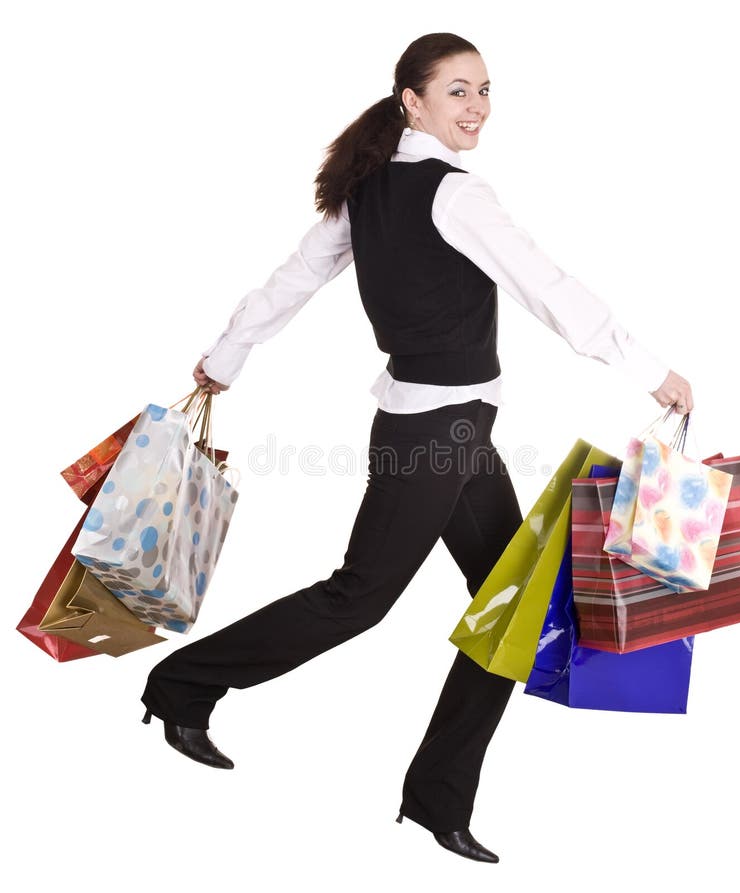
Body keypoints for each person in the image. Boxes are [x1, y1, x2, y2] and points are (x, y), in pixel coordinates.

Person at [140, 32, 693, 863]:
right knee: (361, 596)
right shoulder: (454, 194)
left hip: (454, 429)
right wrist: (652, 372)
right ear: (413, 101)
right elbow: (549, 287)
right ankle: (182, 684)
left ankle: (437, 797)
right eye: (458, 92)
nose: (477, 108)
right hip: (433, 432)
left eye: (484, 90)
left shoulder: (369, 187)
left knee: (508, 603)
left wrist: (225, 358)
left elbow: (291, 279)